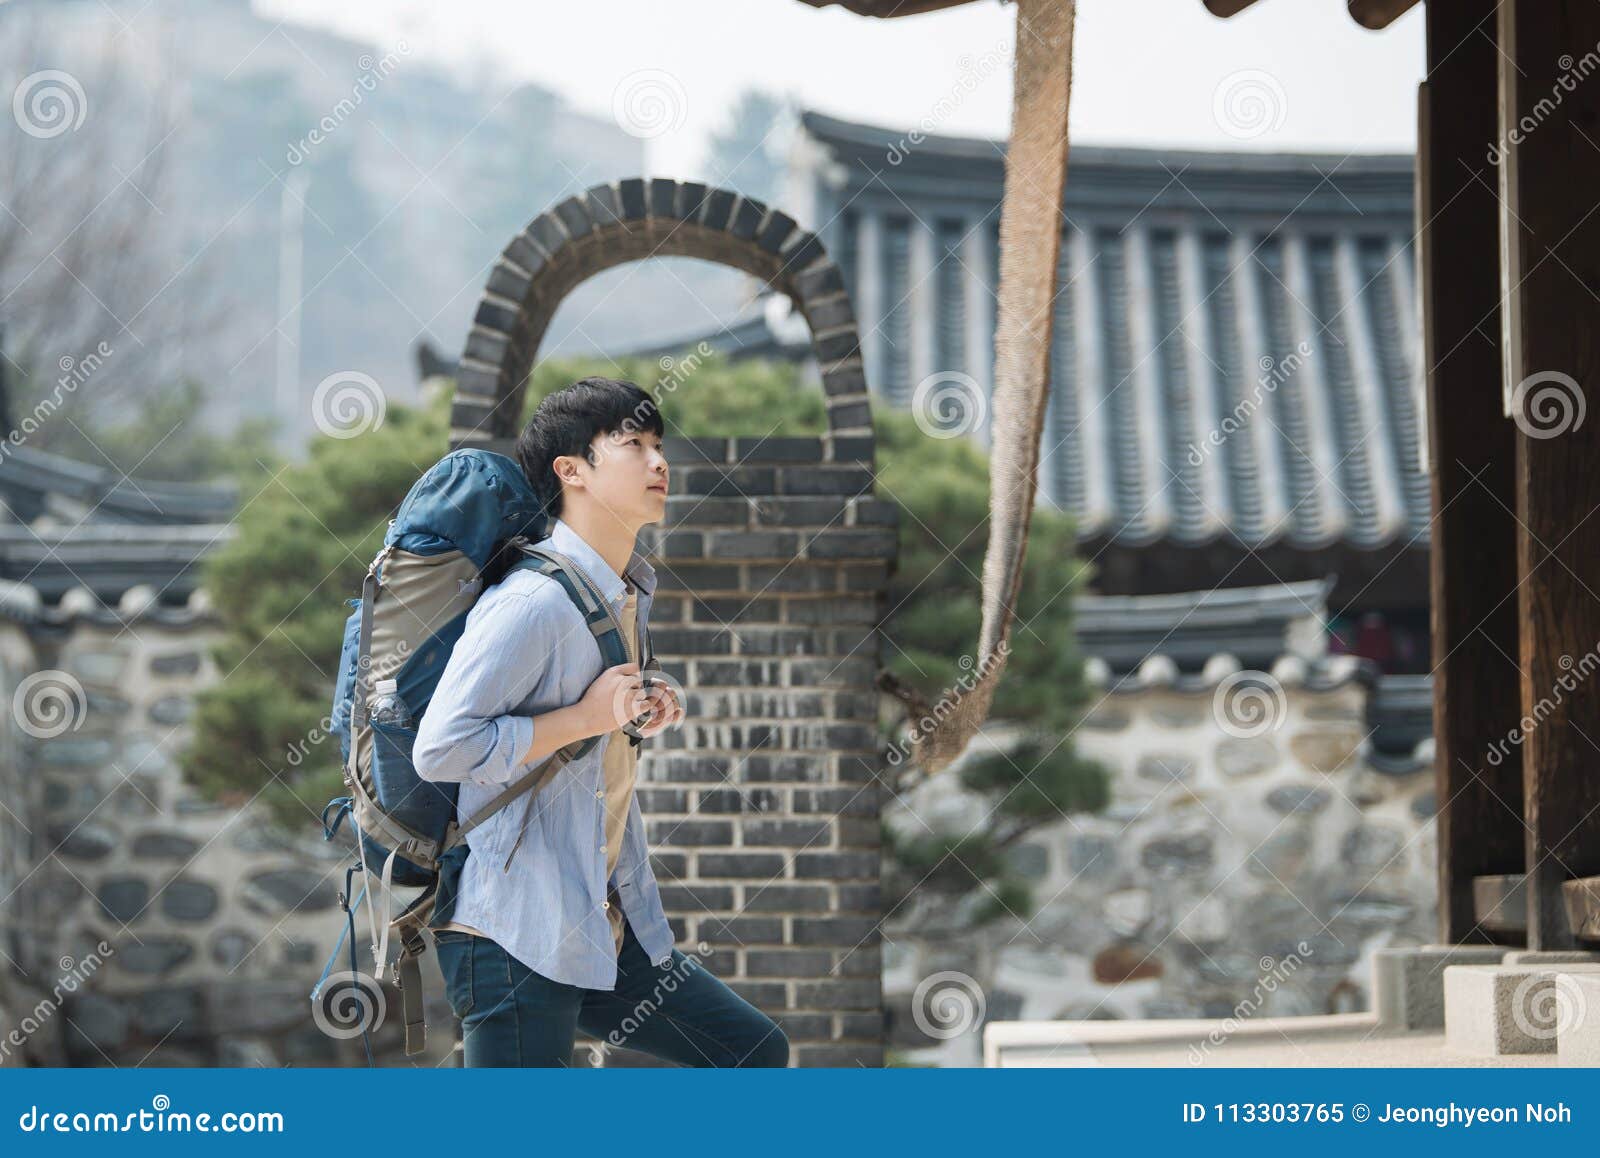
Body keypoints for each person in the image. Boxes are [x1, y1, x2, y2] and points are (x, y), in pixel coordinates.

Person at [412, 376, 789, 1068]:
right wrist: (584, 716)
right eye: (634, 444)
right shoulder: (531, 602)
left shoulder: (620, 591)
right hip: (511, 932)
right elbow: (440, 749)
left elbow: (581, 731)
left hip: (598, 924)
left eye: (659, 445)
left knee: (753, 1051)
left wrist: (636, 711)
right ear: (572, 471)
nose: (658, 462)